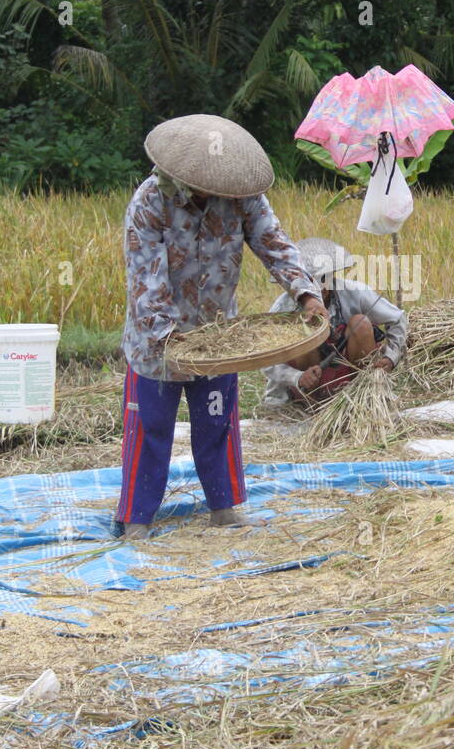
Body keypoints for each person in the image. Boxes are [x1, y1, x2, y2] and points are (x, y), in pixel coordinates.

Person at [116, 114, 327, 537]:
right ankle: (136, 519)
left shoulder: (242, 197)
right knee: (151, 428)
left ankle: (225, 507)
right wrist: (169, 340)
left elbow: (274, 243)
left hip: (219, 336)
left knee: (217, 423)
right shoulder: (151, 201)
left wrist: (306, 293)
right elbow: (146, 278)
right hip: (155, 343)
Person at [262, 236, 407, 408]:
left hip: (351, 375)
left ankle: (365, 395)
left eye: (323, 279)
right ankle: (314, 405)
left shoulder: (354, 292)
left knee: (360, 323)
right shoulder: (282, 308)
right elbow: (267, 359)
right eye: (309, 283)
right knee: (300, 333)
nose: (319, 288)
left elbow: (397, 318)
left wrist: (391, 357)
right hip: (309, 384)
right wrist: (296, 377)